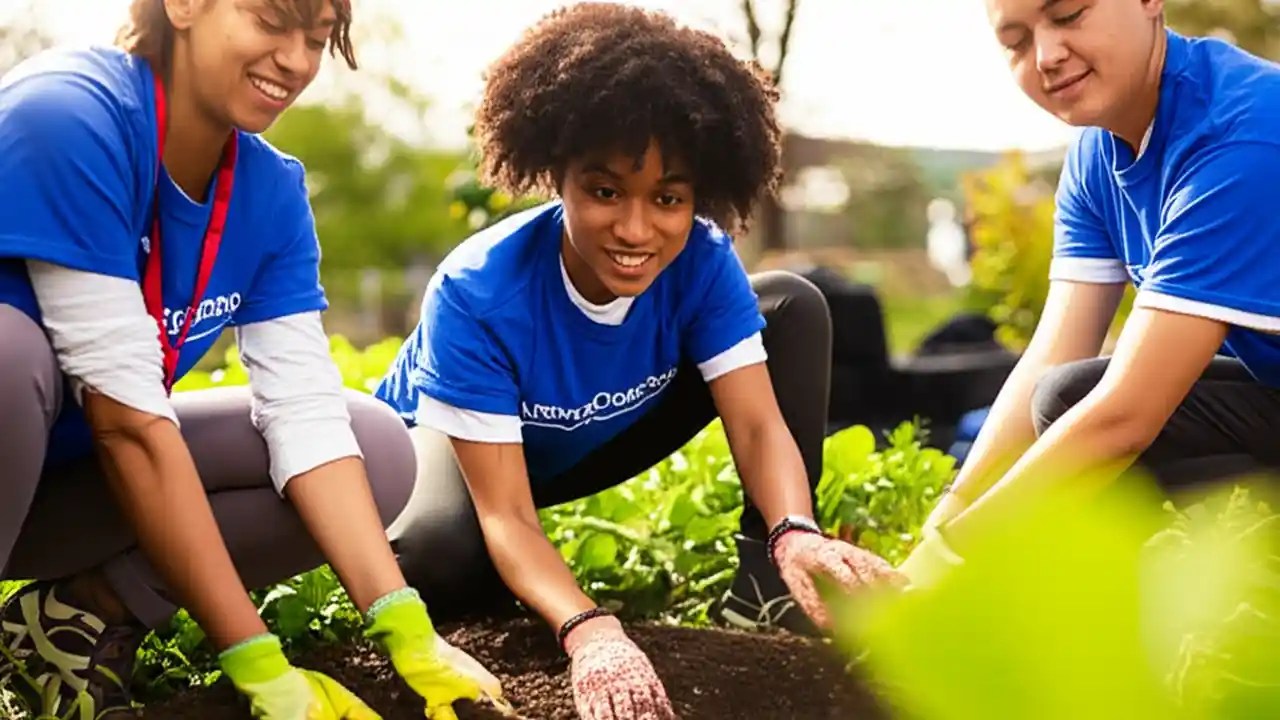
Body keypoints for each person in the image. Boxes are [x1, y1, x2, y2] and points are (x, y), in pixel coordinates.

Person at [374, 4, 902, 718]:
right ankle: (520, 591)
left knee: (791, 306)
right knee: (438, 555)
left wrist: (794, 532)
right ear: (556, 174)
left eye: (668, 199)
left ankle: (762, 590)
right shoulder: (477, 293)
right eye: (604, 191)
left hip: (592, 433)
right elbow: (504, 514)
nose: (635, 228)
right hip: (458, 461)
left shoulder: (702, 263)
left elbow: (754, 426)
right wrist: (589, 627)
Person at [0, 1, 505, 718]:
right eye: (271, 21)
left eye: (317, 36)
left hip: (61, 487)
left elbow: (305, 415)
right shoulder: (69, 117)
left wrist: (407, 630)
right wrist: (260, 666)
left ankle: (74, 621)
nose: (297, 60)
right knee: (6, 352)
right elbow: (129, 426)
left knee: (375, 447)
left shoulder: (266, 191)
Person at [901, 0, 1280, 584]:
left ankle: (1220, 606)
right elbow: (1050, 358)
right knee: (1064, 396)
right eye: (1017, 42)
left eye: (1070, 14)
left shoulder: (1245, 133)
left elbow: (1125, 418)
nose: (1047, 56)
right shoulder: (1098, 152)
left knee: (1095, 430)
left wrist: (947, 564)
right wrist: (940, 525)